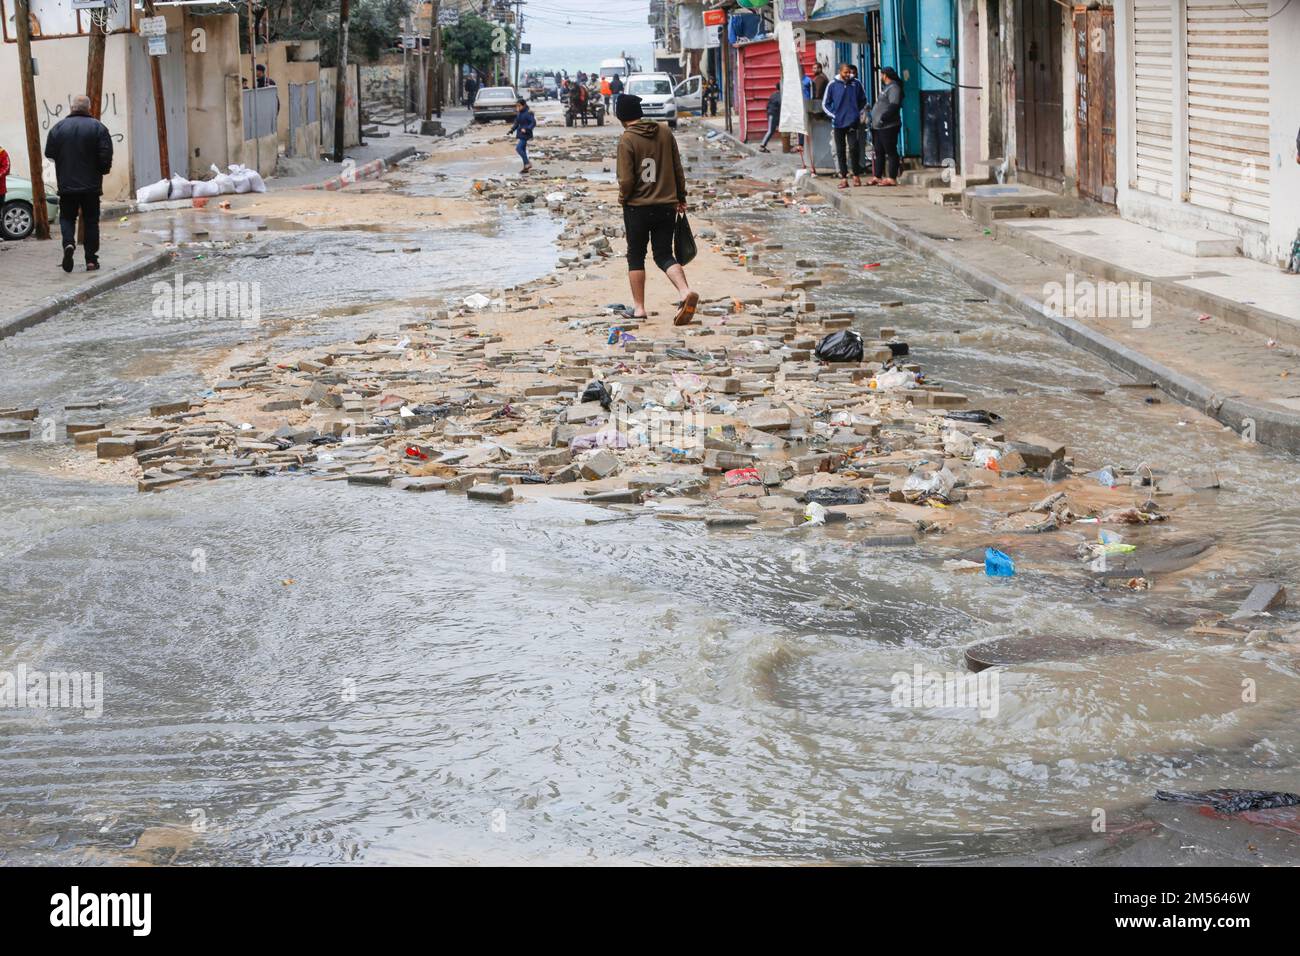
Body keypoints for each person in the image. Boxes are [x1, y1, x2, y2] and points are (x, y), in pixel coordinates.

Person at [615, 94, 698, 326]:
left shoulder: (627, 140)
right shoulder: (664, 131)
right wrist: (680, 196)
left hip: (637, 208)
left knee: (635, 256)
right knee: (663, 254)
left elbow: (626, 180)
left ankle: (639, 308)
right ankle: (684, 291)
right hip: (666, 206)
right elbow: (677, 167)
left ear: (621, 116)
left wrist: (623, 199)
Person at [44, 94, 113, 273]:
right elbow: (105, 155)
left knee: (67, 218)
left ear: (72, 107)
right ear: (88, 108)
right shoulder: (98, 128)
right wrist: (102, 171)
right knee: (91, 221)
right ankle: (91, 260)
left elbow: (49, 152)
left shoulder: (58, 128)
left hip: (67, 185)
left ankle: (68, 243)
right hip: (91, 186)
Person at [822, 62, 867, 188]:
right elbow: (825, 104)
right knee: (840, 150)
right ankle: (843, 177)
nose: (848, 75)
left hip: (852, 122)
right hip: (838, 123)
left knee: (854, 148)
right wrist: (834, 115)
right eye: (845, 72)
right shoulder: (832, 85)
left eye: (849, 72)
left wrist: (856, 113)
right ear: (840, 72)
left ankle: (856, 175)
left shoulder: (856, 83)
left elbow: (863, 100)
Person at [869, 66, 903, 186]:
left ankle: (892, 178)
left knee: (891, 151)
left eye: (881, 74)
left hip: (888, 126)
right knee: (879, 151)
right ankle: (877, 176)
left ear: (884, 75)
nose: (881, 77)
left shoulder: (894, 87)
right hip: (878, 127)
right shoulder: (886, 87)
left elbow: (894, 105)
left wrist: (883, 118)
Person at [508, 98, 535, 174]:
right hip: (521, 133)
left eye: (519, 106)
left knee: (518, 148)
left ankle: (527, 163)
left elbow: (533, 123)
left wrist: (527, 129)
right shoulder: (519, 113)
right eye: (517, 106)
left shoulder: (528, 113)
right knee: (523, 150)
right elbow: (517, 123)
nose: (518, 108)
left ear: (524, 105)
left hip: (526, 133)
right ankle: (525, 168)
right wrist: (512, 130)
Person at [759, 82, 781, 152]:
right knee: (770, 130)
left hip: (773, 114)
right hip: (773, 115)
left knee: (772, 130)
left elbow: (767, 105)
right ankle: (762, 145)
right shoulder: (779, 96)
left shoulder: (773, 95)